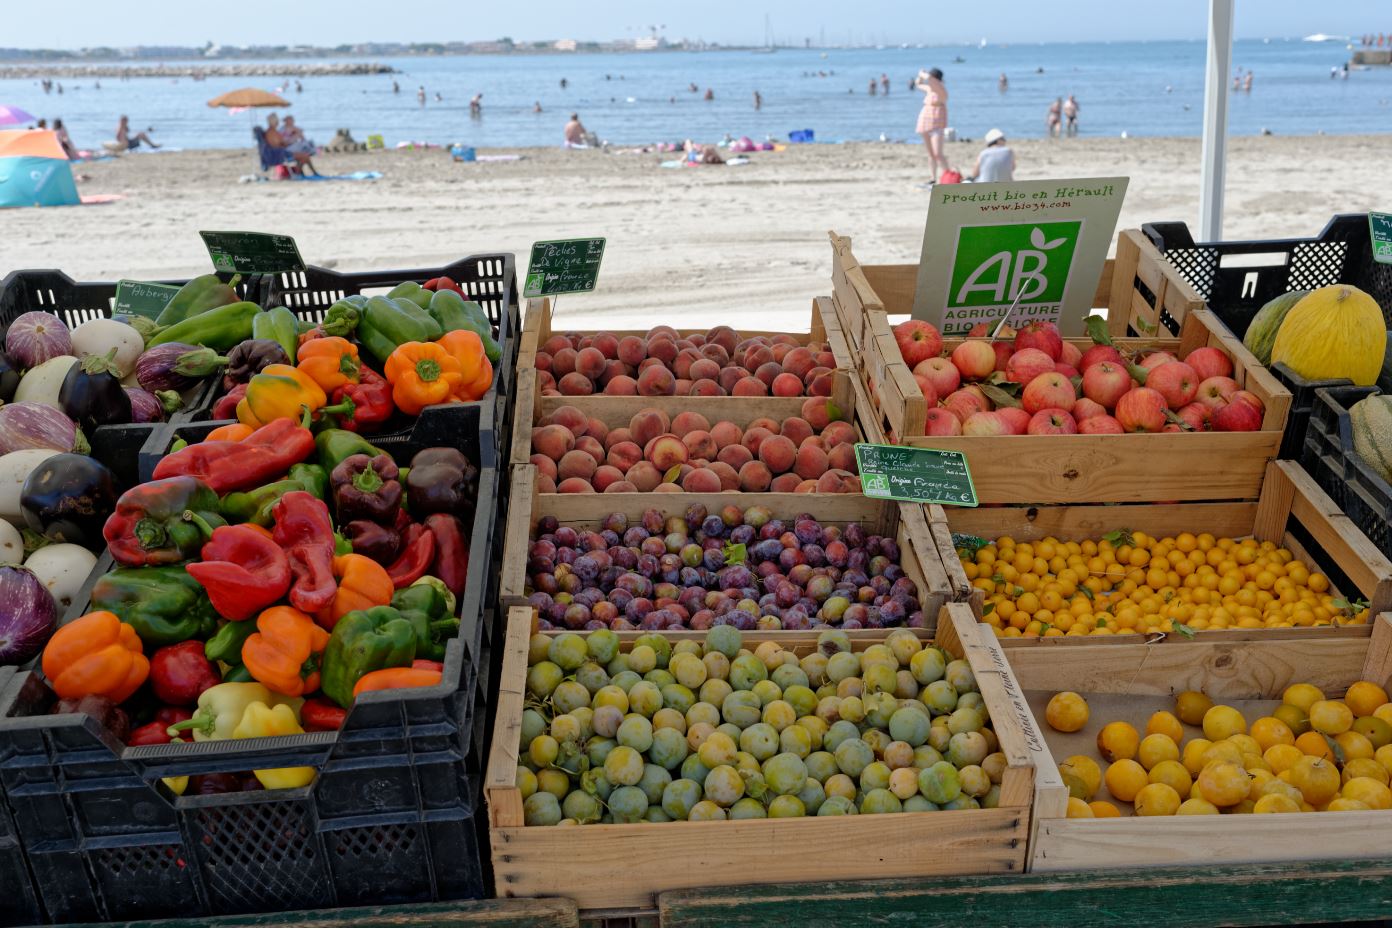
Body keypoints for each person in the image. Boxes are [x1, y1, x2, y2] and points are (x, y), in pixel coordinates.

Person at [914, 68, 950, 180]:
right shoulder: (930, 89)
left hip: (937, 122)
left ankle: (949, 176)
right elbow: (918, 84)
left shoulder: (941, 89)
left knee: (938, 153)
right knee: (930, 153)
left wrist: (922, 73)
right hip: (925, 119)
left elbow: (930, 80)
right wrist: (920, 76)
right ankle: (933, 178)